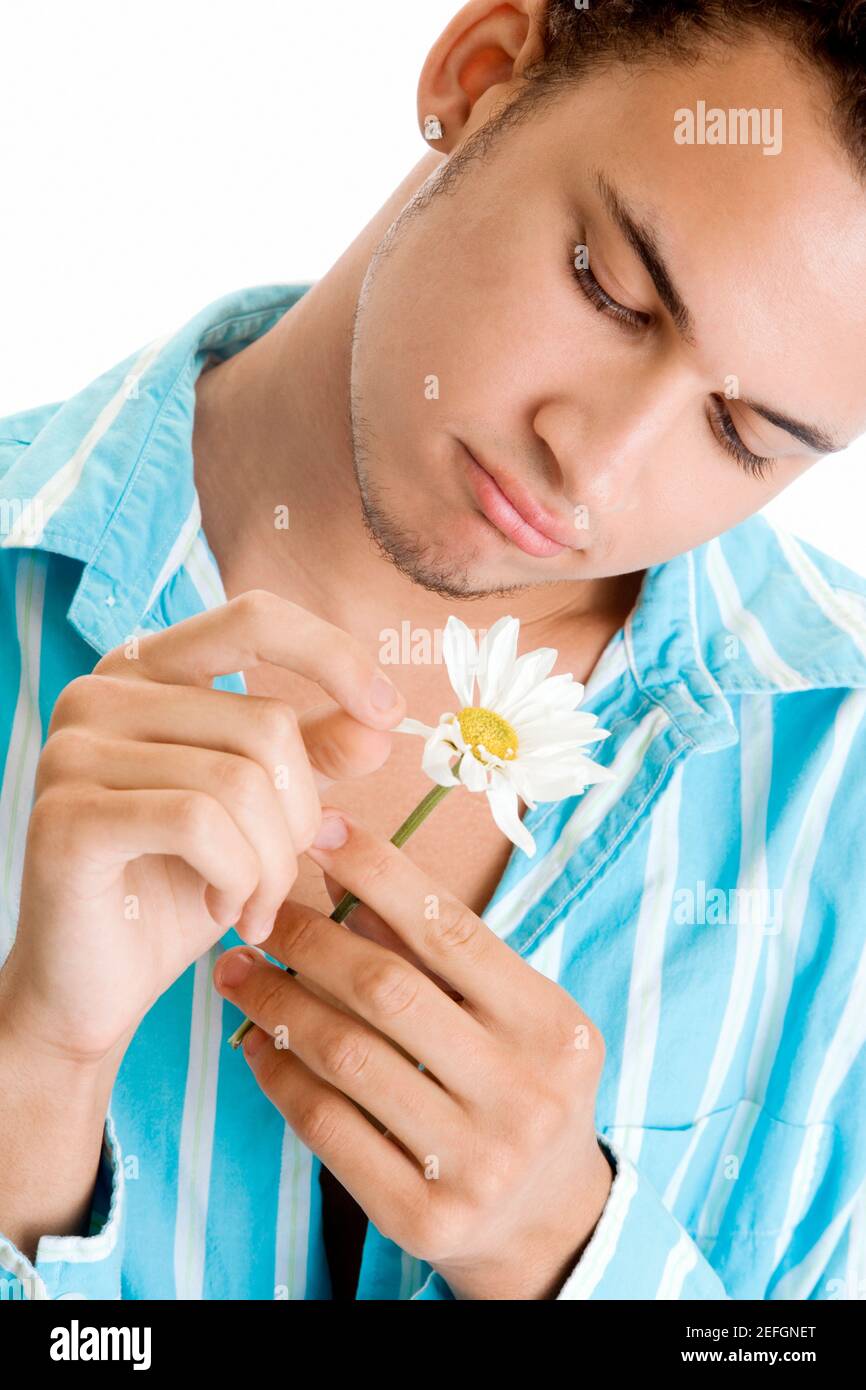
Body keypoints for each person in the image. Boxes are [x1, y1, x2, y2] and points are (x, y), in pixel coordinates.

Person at [1, 0, 865, 1302]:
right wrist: (33, 1082)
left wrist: (566, 1252)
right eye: (608, 288)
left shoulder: (837, 782)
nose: (593, 460)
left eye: (745, 436)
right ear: (479, 75)